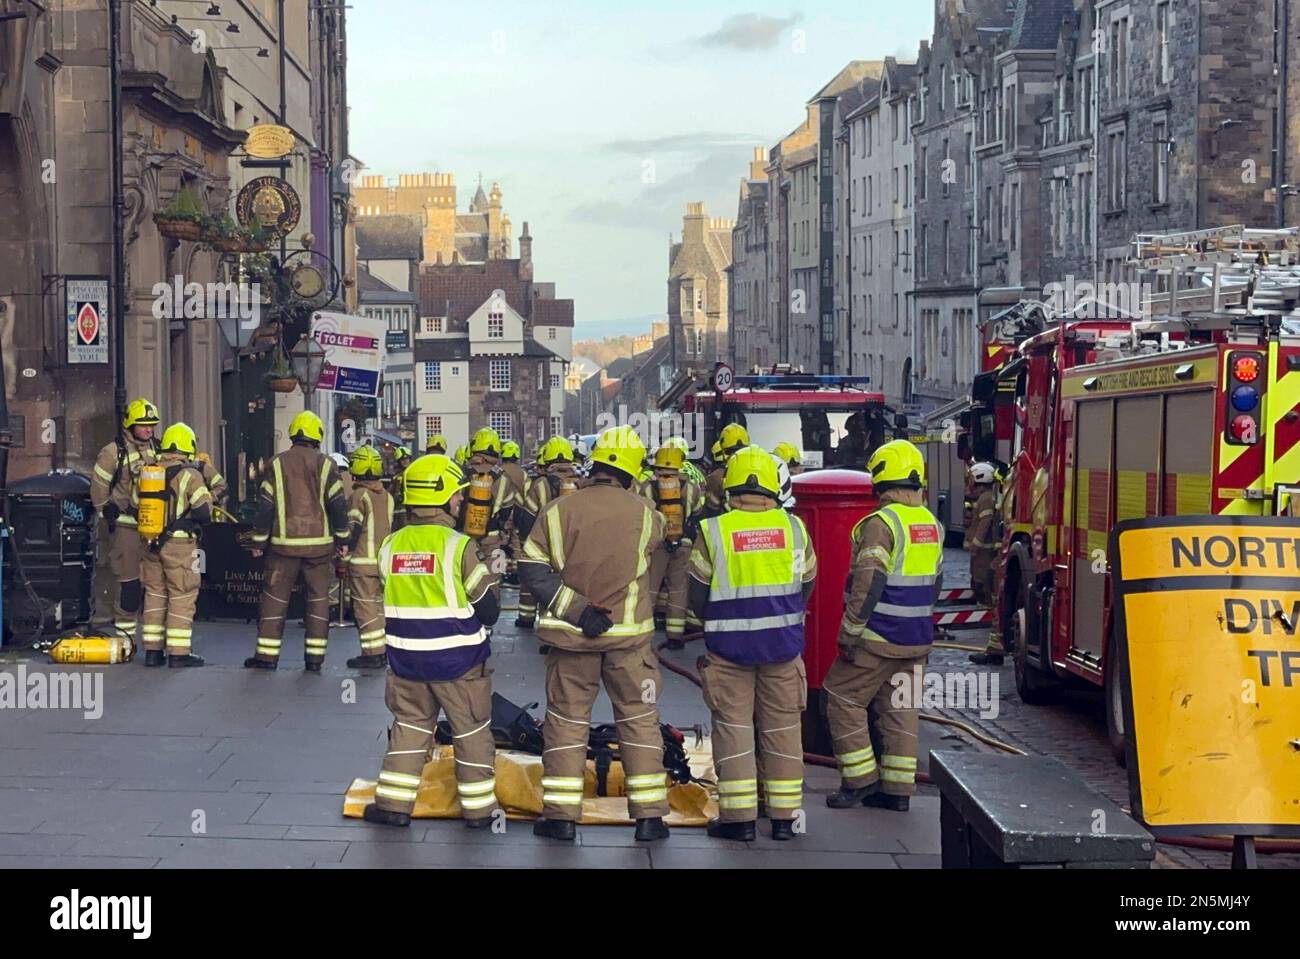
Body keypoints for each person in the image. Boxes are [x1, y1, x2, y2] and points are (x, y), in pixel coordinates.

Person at [518, 426, 671, 843]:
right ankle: (650, 819)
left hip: (572, 641)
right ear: (633, 471)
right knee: (640, 723)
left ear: (596, 463)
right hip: (630, 644)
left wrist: (576, 609)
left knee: (566, 723)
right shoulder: (648, 515)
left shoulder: (558, 511)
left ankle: (562, 818)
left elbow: (531, 568)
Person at [364, 454, 503, 829]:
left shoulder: (391, 545)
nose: (461, 503)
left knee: (410, 729)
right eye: (457, 497)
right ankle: (478, 811)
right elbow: (488, 609)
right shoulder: (459, 546)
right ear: (442, 498)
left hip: (406, 662)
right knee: (471, 730)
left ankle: (393, 805)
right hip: (458, 662)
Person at [689, 446, 818, 841]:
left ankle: (740, 821)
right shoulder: (794, 528)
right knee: (782, 729)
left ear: (730, 488)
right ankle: (784, 819)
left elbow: (696, 594)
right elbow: (807, 583)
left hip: (729, 652)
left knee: (733, 730)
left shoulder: (713, 531)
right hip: (782, 648)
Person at [824, 440, 942, 813]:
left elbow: (868, 582)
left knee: (842, 699)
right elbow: (936, 582)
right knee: (901, 711)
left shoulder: (881, 523)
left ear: (879, 477)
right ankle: (897, 792)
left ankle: (858, 781)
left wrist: (850, 632)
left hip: (877, 637)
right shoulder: (932, 523)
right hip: (917, 639)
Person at [245, 411, 351, 672]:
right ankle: (314, 660)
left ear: (293, 434)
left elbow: (265, 507)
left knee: (274, 600)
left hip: (283, 547)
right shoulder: (326, 465)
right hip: (319, 548)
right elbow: (338, 505)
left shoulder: (277, 464)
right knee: (318, 601)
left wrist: (259, 542)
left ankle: (267, 657)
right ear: (318, 436)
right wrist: (343, 539)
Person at [135, 423, 214, 668]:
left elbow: (134, 503)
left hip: (151, 542)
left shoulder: (149, 471)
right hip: (180, 544)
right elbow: (203, 512)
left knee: (155, 594)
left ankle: (152, 651)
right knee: (182, 595)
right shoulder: (191, 475)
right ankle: (179, 653)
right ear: (188, 447)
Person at [91, 397, 161, 637]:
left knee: (153, 585)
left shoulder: (157, 449)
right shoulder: (113, 453)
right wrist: (105, 512)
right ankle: (125, 637)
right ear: (130, 425)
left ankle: (151, 638)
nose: (149, 429)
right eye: (144, 425)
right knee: (129, 585)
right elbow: (98, 487)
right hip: (126, 528)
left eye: (152, 424)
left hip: (154, 529)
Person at [641, 438, 705, 650]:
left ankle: (643, 634)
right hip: (684, 544)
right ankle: (675, 637)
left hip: (656, 545)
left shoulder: (647, 487)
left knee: (649, 589)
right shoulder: (692, 488)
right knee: (679, 589)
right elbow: (697, 515)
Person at [512, 436, 581, 631]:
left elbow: (527, 518)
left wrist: (528, 544)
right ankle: (561, 625)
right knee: (565, 584)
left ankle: (527, 618)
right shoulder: (580, 482)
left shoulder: (541, 484)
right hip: (573, 546)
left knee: (539, 580)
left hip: (545, 543)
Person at [344, 446, 394, 669]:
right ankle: (382, 650)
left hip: (363, 562)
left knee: (364, 608)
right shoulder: (388, 496)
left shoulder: (358, 495)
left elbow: (352, 529)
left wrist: (344, 552)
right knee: (379, 606)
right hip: (383, 563)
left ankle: (372, 653)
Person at [460, 428, 517, 558]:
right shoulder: (504, 478)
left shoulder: (462, 472)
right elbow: (506, 512)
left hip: (462, 537)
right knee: (492, 574)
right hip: (491, 537)